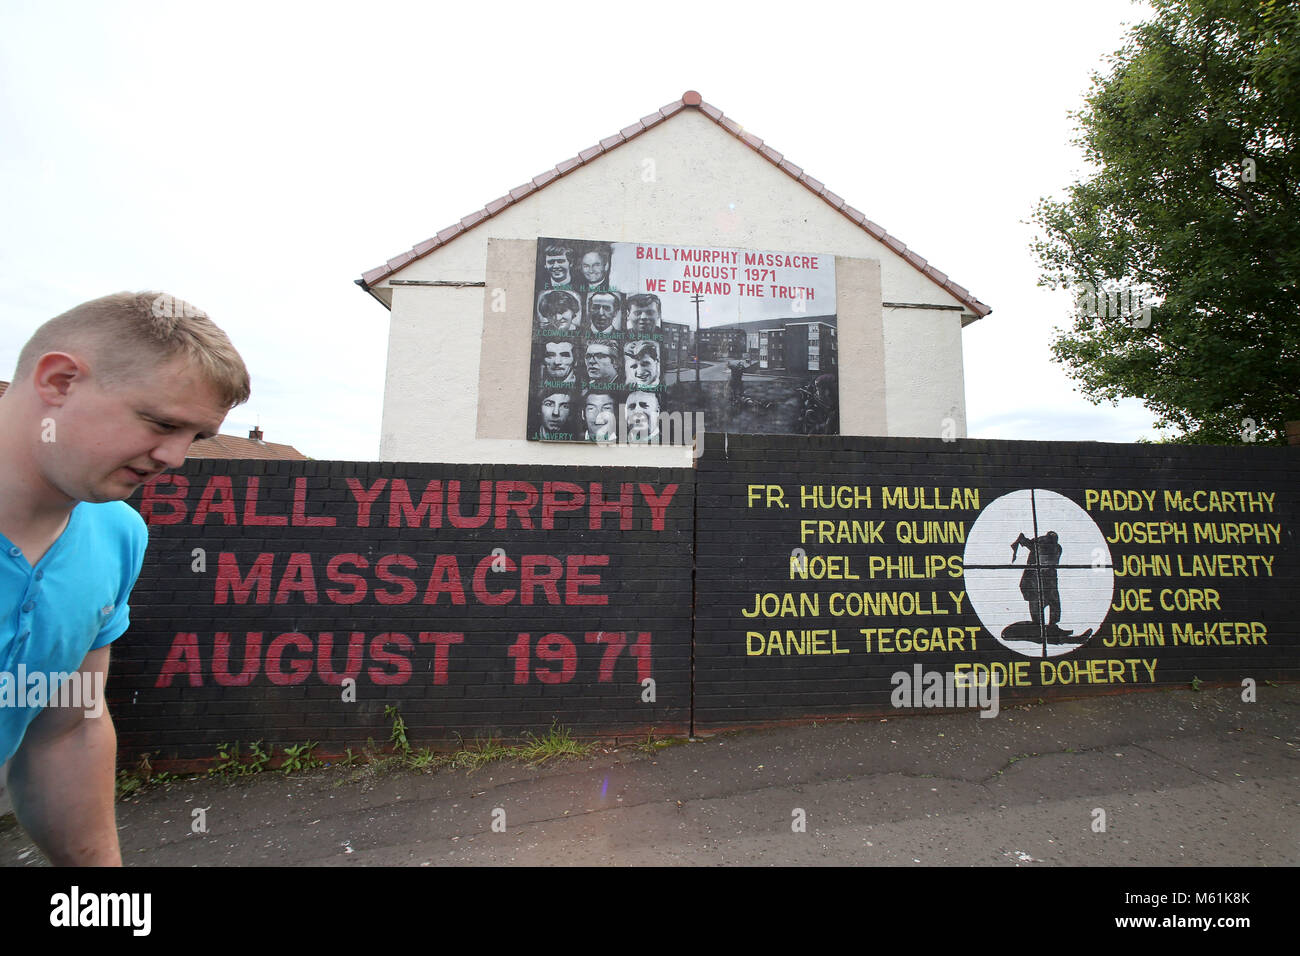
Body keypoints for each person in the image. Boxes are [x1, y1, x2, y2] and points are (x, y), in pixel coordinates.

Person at [0, 291, 249, 866]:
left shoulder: (118, 533)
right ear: (60, 381)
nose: (176, 457)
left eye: (196, 436)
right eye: (161, 422)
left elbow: (67, 729)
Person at [1011, 531, 1064, 631]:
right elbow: (1029, 544)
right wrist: (1023, 540)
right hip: (1035, 577)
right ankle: (1038, 625)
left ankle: (1051, 625)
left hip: (1048, 578)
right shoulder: (1041, 544)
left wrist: (1023, 540)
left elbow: (1028, 544)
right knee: (1037, 600)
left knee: (1052, 600)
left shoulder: (1052, 547)